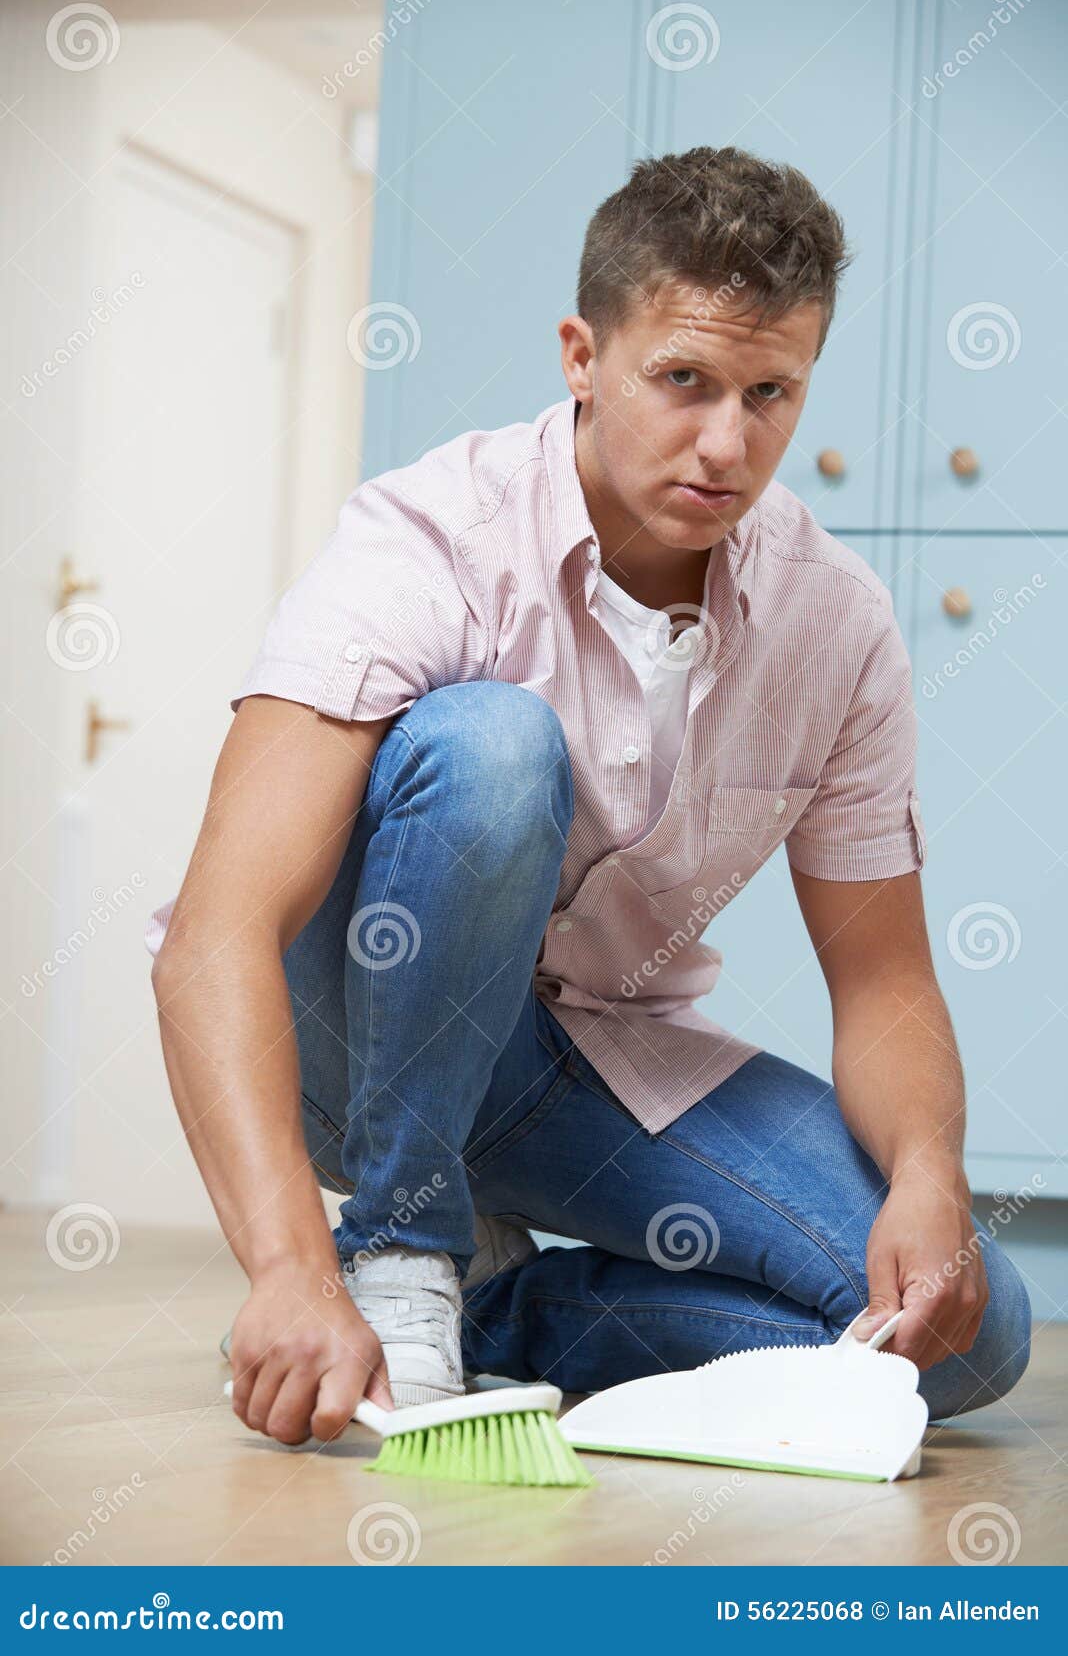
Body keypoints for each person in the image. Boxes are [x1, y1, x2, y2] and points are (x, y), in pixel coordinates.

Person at [147, 145, 1031, 1448]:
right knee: (498, 746)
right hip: (359, 1033)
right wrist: (285, 1264)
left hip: (591, 1061)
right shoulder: (429, 540)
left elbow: (886, 980)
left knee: (960, 1334)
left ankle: (495, 1314)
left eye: (771, 391)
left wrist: (930, 1172)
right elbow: (214, 934)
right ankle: (393, 1243)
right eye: (683, 380)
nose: (726, 442)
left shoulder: (835, 621)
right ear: (582, 353)